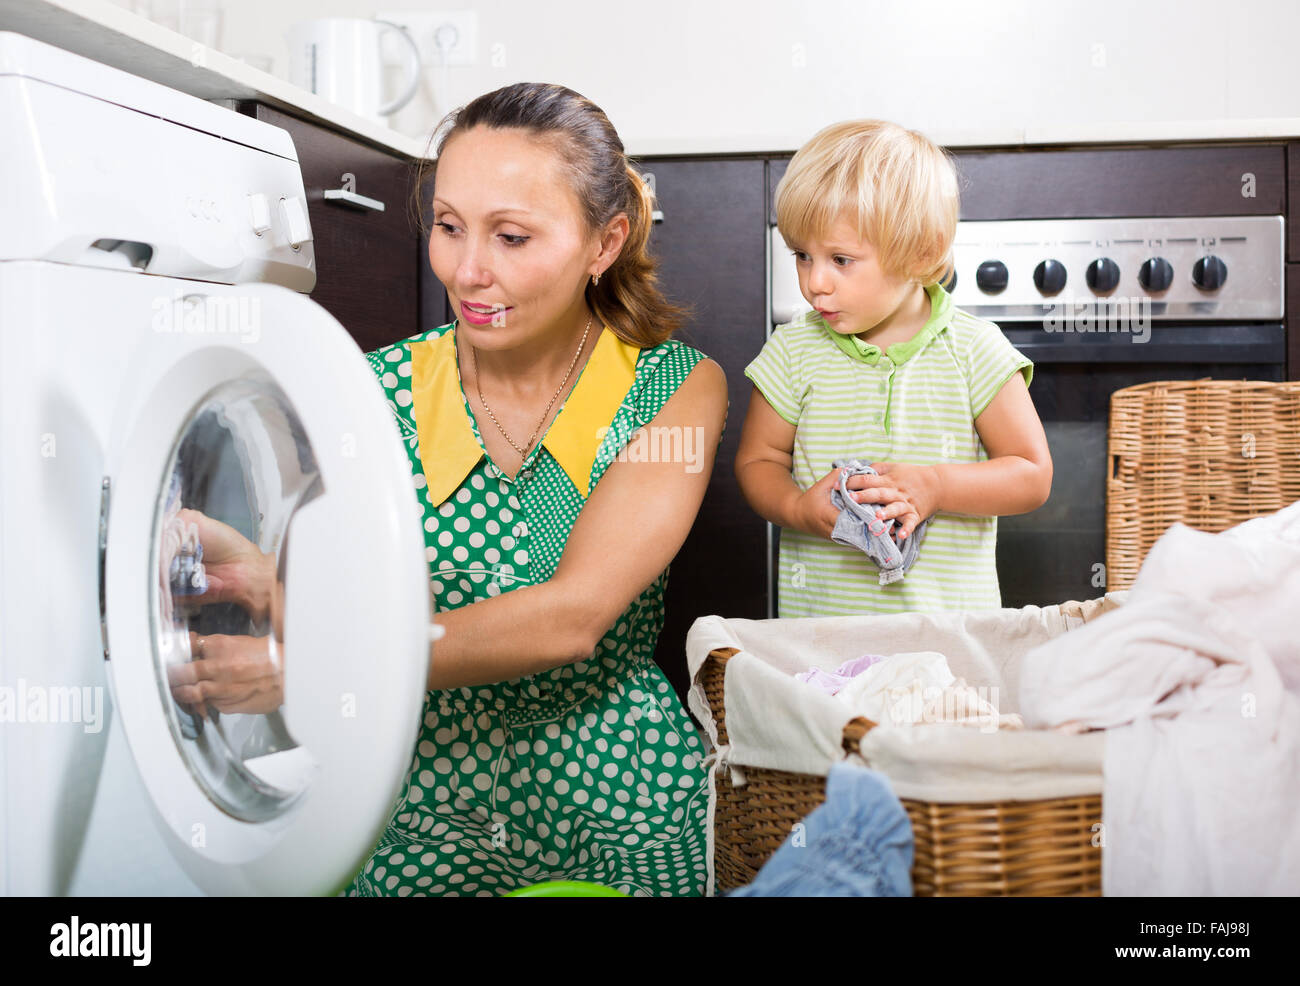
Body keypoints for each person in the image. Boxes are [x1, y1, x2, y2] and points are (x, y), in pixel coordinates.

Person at [347, 83, 728, 896]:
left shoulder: (674, 389)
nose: (468, 270)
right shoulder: (372, 391)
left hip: (624, 802)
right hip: (422, 801)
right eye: (448, 227)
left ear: (605, 242)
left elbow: (573, 618)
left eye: (511, 236)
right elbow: (328, 581)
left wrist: (331, 661)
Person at [735, 120, 1052, 618]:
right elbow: (758, 463)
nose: (815, 282)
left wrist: (937, 486)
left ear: (920, 256)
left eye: (841, 259)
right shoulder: (793, 350)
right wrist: (796, 508)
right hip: (823, 648)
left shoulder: (975, 349)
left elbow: (1031, 475)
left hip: (950, 645)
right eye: (802, 255)